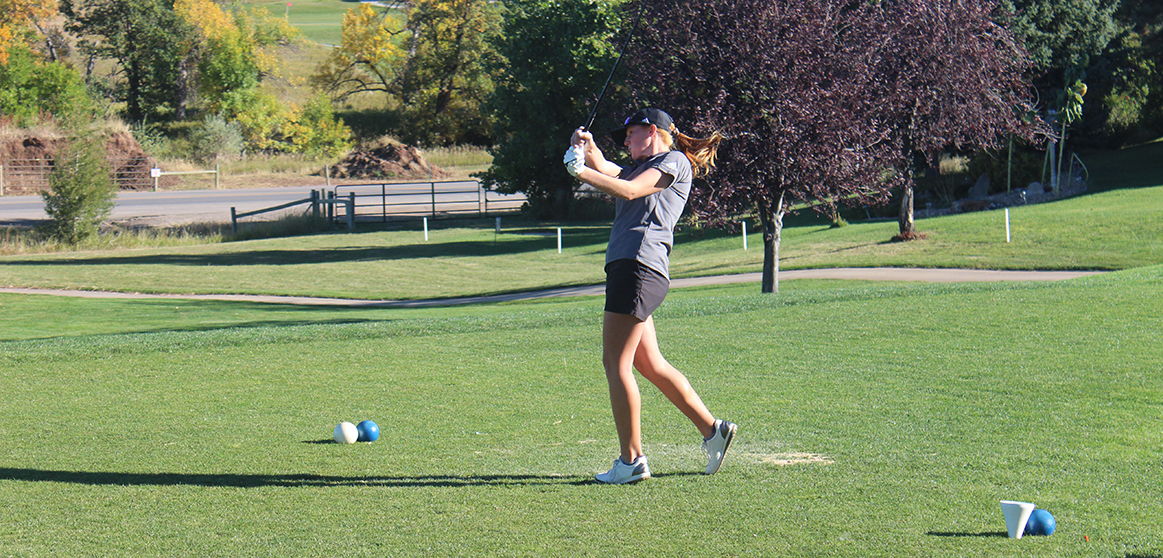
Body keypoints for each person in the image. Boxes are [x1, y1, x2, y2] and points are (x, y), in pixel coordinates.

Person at [564, 108, 736, 484]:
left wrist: (579, 172)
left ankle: (631, 461)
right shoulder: (649, 164)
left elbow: (627, 189)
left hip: (636, 269)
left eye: (630, 133)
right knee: (648, 364)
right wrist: (588, 149)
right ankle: (713, 429)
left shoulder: (671, 161)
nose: (625, 141)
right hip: (636, 270)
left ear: (653, 131)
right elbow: (612, 172)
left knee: (616, 365)